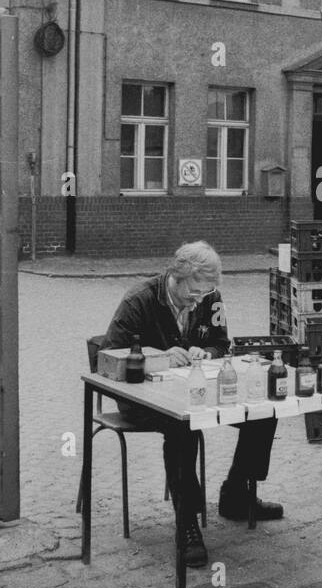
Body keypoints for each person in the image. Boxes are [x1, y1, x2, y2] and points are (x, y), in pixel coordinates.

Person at [102, 241, 280, 569]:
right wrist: (160, 357)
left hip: (196, 390)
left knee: (263, 411)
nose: (199, 299)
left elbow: (220, 343)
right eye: (193, 292)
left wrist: (206, 353)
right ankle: (187, 522)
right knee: (183, 425)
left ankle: (236, 495)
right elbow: (111, 355)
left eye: (206, 292)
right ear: (176, 276)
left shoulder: (209, 296)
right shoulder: (139, 299)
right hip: (142, 397)